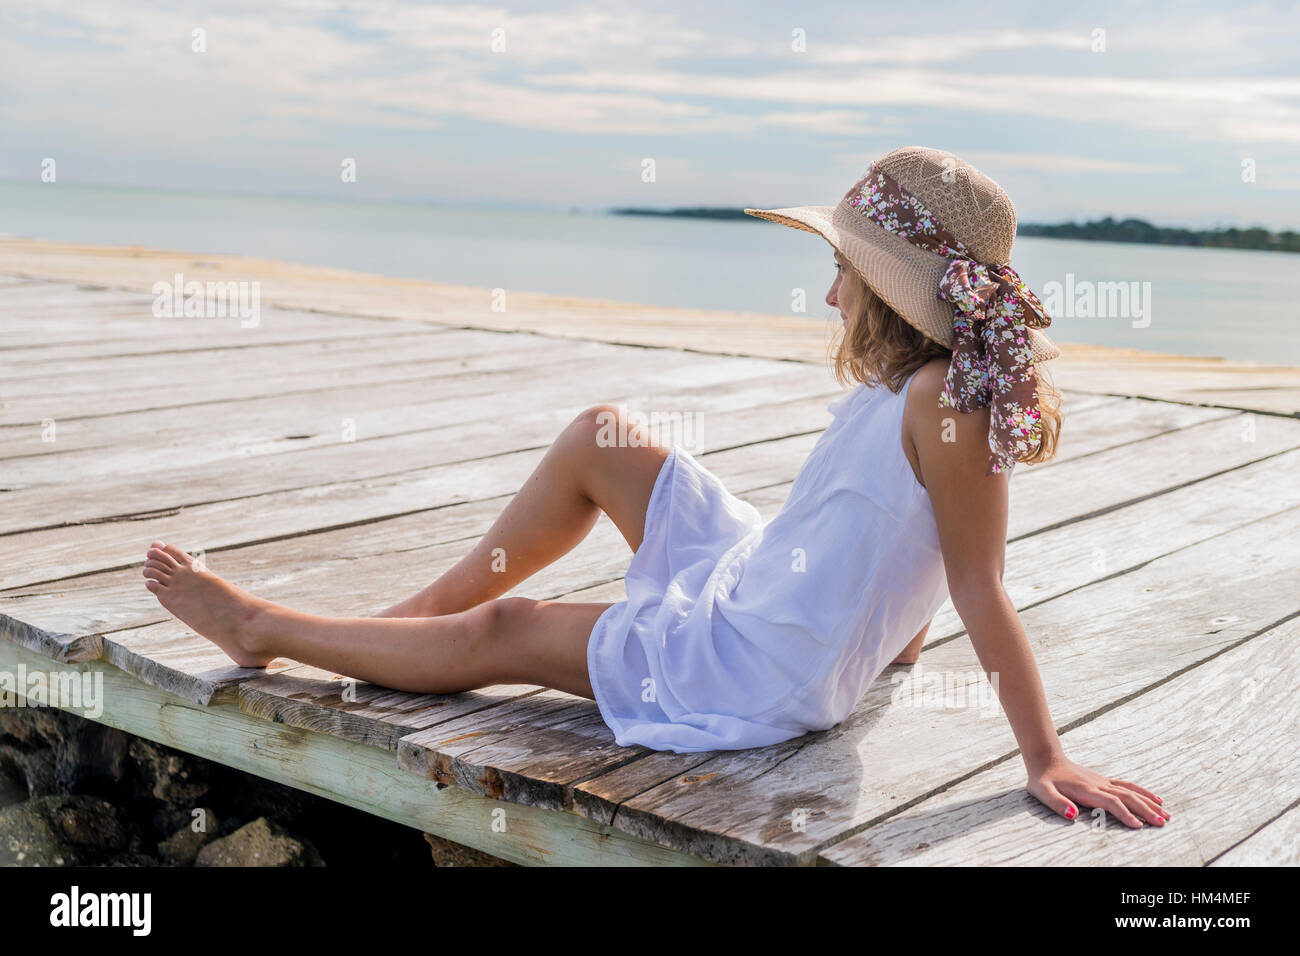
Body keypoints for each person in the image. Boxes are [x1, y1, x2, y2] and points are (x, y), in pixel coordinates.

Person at [143, 146, 1169, 829]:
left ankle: (264, 630)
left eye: (844, 267)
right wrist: (890, 637)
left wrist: (1045, 755)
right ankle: (402, 625)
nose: (828, 290)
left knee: (509, 628)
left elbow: (979, 576)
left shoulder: (945, 396)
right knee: (605, 435)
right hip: (768, 588)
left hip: (749, 662)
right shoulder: (917, 383)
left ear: (899, 288)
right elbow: (902, 537)